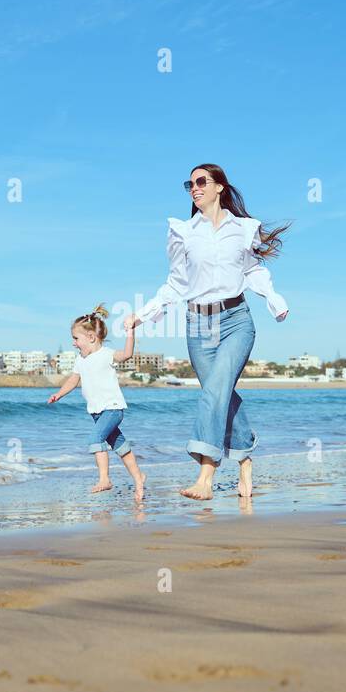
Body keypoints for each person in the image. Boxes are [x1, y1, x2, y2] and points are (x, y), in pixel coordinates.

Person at [123, 163, 289, 501]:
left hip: (236, 320)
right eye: (190, 184)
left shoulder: (243, 229)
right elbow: (176, 283)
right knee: (221, 394)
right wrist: (142, 315)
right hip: (198, 325)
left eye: (201, 182)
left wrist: (273, 300)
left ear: (220, 188)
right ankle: (244, 460)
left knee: (214, 392)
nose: (194, 188)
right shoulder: (183, 232)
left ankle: (205, 477)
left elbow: (253, 269)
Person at [48, 304, 147, 501]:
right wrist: (59, 394)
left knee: (95, 440)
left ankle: (104, 479)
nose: (74, 343)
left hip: (112, 409)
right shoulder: (80, 359)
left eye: (76, 339)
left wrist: (130, 333)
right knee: (121, 447)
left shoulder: (107, 354)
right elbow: (73, 380)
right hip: (97, 412)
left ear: (91, 337)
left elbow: (126, 354)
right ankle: (139, 478)